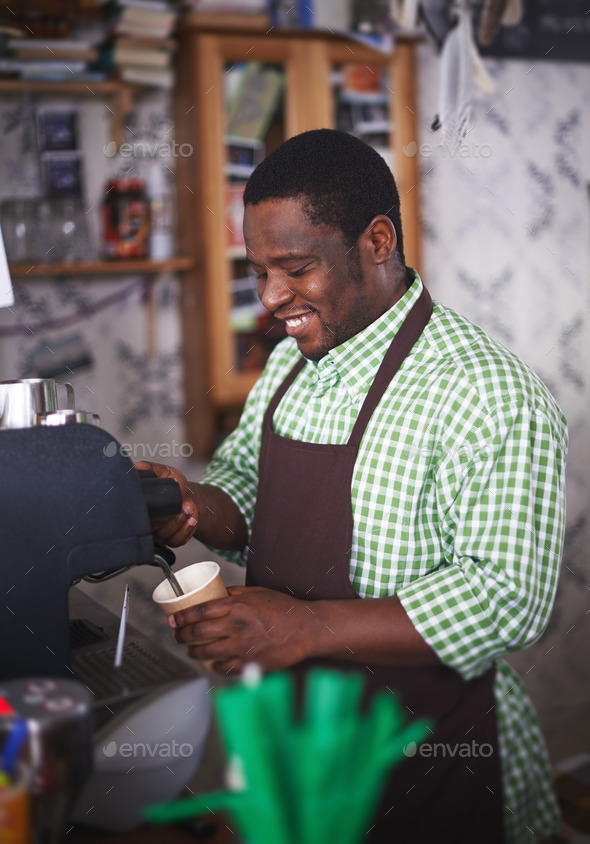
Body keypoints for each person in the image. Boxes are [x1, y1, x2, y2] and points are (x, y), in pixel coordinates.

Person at [139, 129, 567, 843]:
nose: (272, 297)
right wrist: (184, 500)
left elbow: (508, 599)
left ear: (375, 242)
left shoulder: (485, 391)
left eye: (296, 268)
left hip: (433, 755)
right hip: (302, 746)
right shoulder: (290, 367)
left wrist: (303, 626)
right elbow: (245, 491)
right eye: (259, 272)